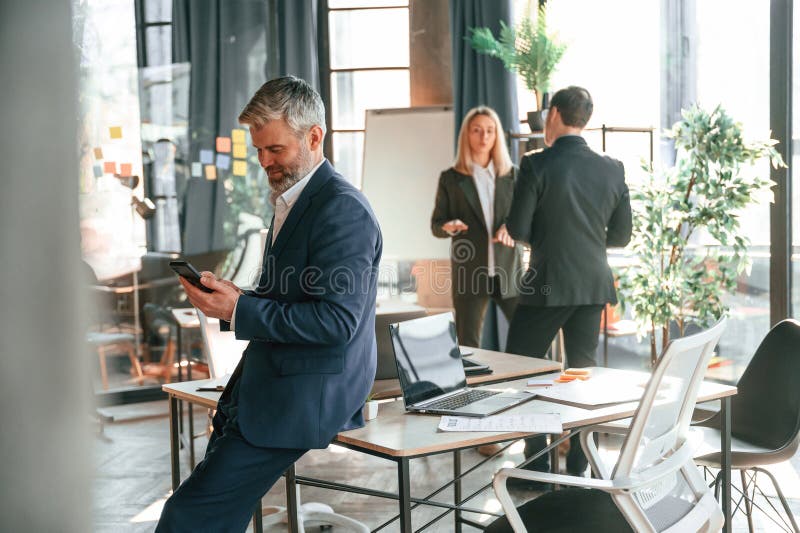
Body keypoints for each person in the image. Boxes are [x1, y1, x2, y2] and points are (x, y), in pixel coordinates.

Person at [156, 76, 383, 532]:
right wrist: (236, 297)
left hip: (305, 395)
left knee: (187, 517)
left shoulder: (343, 210)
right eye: (259, 150)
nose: (264, 162)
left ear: (314, 137)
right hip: (269, 383)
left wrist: (237, 311)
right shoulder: (295, 200)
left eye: (275, 150)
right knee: (212, 512)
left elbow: (336, 322)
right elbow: (290, 296)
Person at [503, 86, 632, 485]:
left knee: (521, 370)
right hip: (593, 283)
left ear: (554, 114)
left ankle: (536, 465)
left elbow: (517, 228)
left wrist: (550, 235)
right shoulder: (612, 167)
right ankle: (580, 462)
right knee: (582, 375)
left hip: (547, 283)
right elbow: (623, 236)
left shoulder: (536, 164)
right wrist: (586, 238)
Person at [430, 106, 522, 350]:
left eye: (490, 131)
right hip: (469, 273)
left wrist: (511, 228)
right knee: (468, 348)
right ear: (467, 135)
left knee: (530, 339)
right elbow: (436, 225)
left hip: (509, 271)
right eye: (477, 130)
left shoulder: (513, 176)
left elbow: (527, 222)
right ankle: (473, 389)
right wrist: (449, 226)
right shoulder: (451, 178)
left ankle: (538, 388)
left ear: (497, 136)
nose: (484, 137)